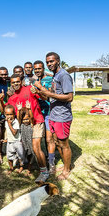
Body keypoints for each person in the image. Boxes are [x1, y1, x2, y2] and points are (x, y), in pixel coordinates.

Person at [33, 52, 73, 181]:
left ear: (58, 61)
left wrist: (47, 93)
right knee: (57, 142)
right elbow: (51, 95)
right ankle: (67, 165)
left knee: (64, 144)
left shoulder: (64, 75)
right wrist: (41, 92)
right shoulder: (56, 76)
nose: (49, 64)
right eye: (48, 62)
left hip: (62, 116)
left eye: (52, 61)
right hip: (54, 115)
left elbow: (69, 97)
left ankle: (67, 170)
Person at [2, 105, 24, 174]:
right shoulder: (6, 122)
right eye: (7, 114)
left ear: (14, 114)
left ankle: (21, 167)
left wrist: (10, 124)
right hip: (10, 142)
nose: (9, 116)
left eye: (11, 114)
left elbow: (14, 132)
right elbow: (8, 132)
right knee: (9, 156)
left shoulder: (15, 122)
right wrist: (6, 139)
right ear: (5, 115)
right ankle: (11, 168)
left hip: (17, 142)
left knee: (20, 157)